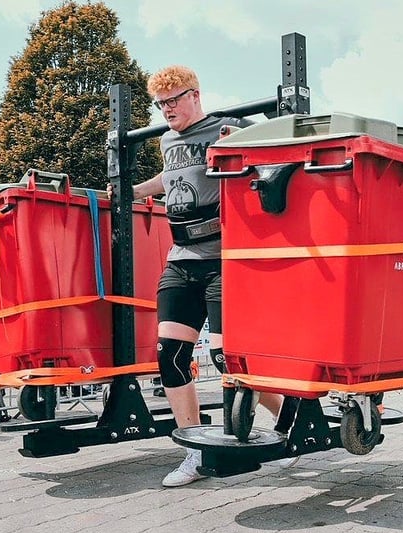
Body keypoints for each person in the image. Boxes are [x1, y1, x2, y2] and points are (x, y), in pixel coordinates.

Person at [122, 65, 289, 487]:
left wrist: (246, 151)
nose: (167, 110)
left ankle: (288, 420)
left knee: (226, 356)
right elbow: (175, 177)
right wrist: (138, 190)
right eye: (160, 104)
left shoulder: (228, 127)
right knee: (170, 355)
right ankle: (195, 451)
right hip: (181, 258)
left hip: (224, 258)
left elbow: (282, 150)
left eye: (174, 100)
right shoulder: (166, 140)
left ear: (195, 94)